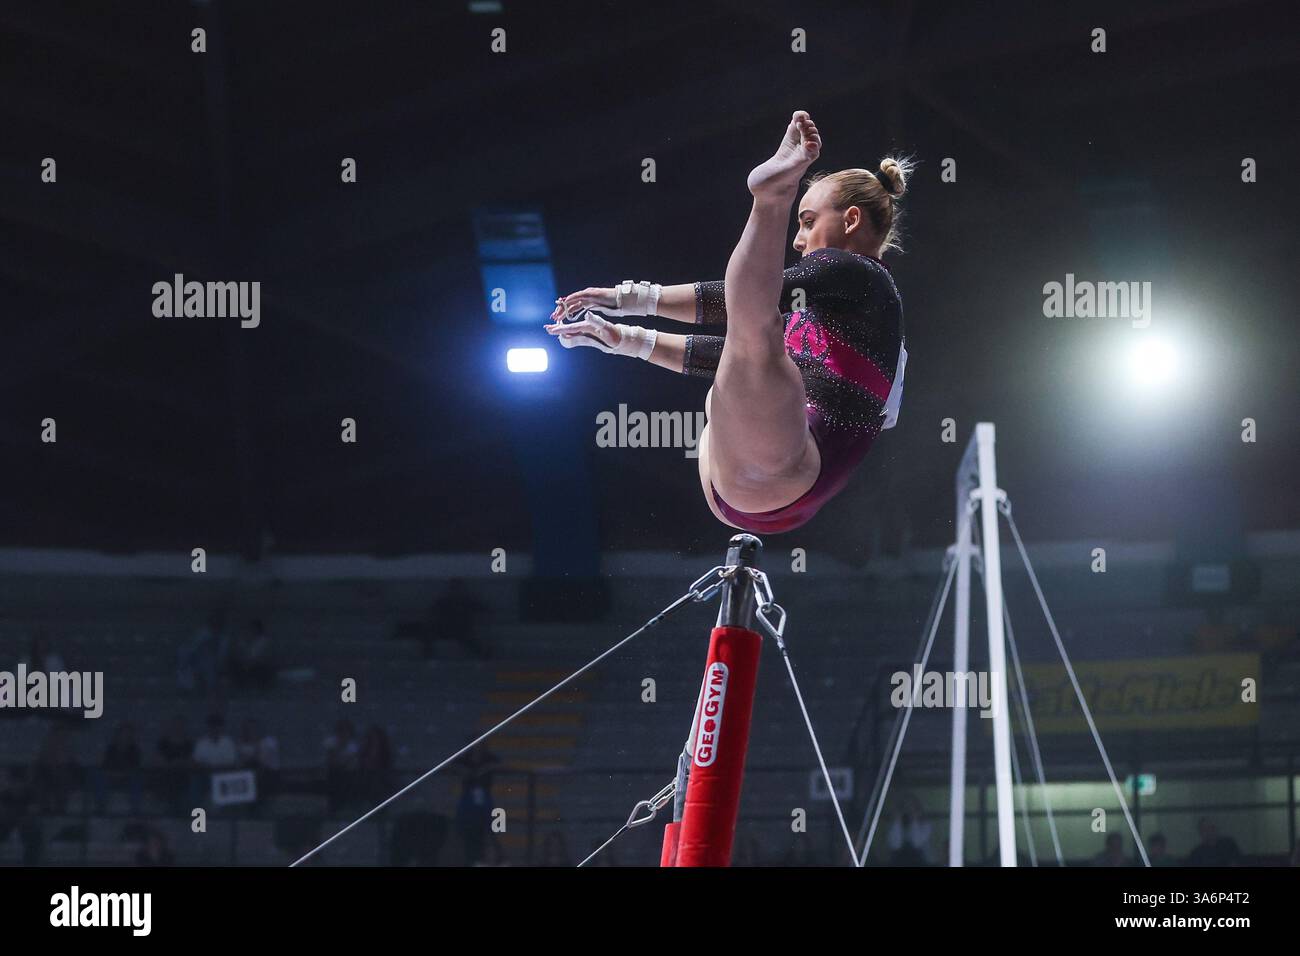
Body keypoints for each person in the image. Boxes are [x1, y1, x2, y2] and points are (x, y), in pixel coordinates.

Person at [546, 111, 909, 533]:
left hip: (776, 470)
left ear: (850, 221)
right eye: (798, 223)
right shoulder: (833, 314)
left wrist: (630, 298)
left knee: (758, 332)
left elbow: (750, 305)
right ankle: (772, 197)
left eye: (808, 222)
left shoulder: (861, 274)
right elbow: (738, 355)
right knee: (753, 346)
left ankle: (771, 199)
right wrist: (624, 336)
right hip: (762, 487)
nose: (798, 240)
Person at [885, 793, 933, 865]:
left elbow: (917, 843)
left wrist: (914, 819)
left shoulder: (926, 824)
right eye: (905, 807)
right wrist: (898, 820)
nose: (908, 810)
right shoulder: (895, 824)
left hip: (921, 862)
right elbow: (895, 844)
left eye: (911, 807)